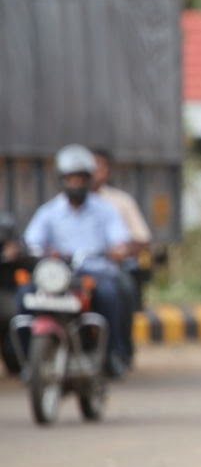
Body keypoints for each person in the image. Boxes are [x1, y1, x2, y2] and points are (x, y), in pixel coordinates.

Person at [19, 144, 133, 377]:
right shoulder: (49, 212)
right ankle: (25, 359)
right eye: (71, 179)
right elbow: (32, 241)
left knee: (110, 295)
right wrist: (34, 251)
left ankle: (111, 354)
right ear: (62, 180)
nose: (76, 184)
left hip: (93, 273)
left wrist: (118, 250)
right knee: (24, 295)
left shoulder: (105, 211)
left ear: (89, 180)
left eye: (81, 179)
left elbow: (120, 241)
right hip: (58, 275)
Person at [92, 147, 152, 368]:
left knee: (122, 290)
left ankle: (118, 349)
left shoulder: (117, 203)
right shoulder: (60, 205)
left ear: (108, 171)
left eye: (99, 168)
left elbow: (140, 238)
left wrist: (122, 252)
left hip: (112, 268)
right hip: (76, 269)